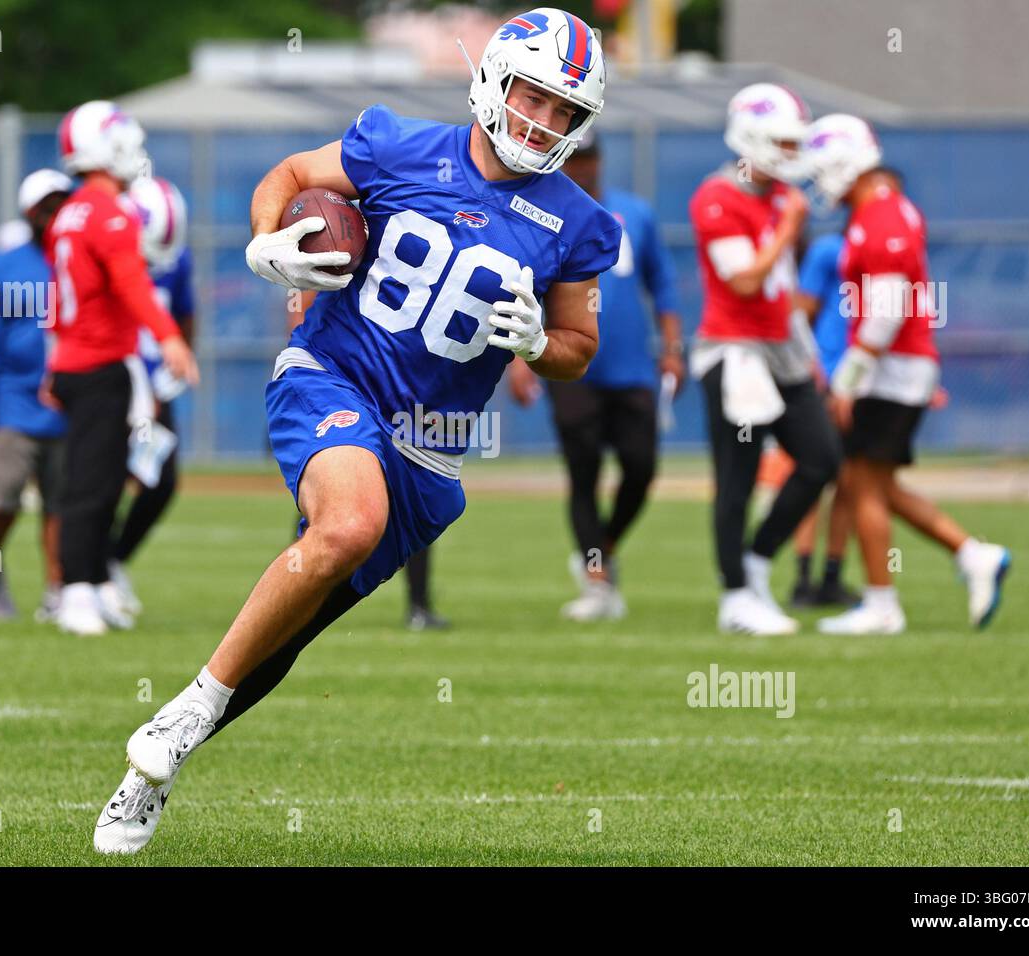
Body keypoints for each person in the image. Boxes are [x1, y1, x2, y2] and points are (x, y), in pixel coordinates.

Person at [93, 8, 622, 854]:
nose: (544, 122)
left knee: (290, 628)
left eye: (566, 111)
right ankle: (180, 722)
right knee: (348, 523)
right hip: (332, 379)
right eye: (535, 95)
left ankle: (171, 739)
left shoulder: (581, 224)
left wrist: (536, 343)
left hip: (429, 449)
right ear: (493, 79)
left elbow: (578, 348)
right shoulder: (398, 143)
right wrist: (270, 244)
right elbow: (292, 171)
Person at [804, 114, 1011, 635]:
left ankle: (882, 603)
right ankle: (972, 554)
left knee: (863, 485)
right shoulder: (880, 211)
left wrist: (850, 378)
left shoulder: (881, 216)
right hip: (896, 366)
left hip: (891, 369)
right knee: (870, 481)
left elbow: (889, 307)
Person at [509, 133, 684, 621]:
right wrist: (519, 360)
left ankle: (602, 549)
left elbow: (664, 288)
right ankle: (596, 581)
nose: (582, 167)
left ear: (601, 160)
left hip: (631, 369)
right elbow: (519, 288)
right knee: (583, 474)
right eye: (574, 157)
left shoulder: (635, 213)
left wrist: (672, 350)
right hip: (570, 369)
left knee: (641, 466)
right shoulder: (542, 214)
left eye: (588, 157)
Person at [688, 82, 842, 636]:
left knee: (822, 458)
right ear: (751, 138)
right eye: (782, 141)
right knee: (739, 477)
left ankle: (755, 562)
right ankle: (735, 596)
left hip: (782, 350)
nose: (793, 153)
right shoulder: (718, 196)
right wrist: (787, 230)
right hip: (734, 351)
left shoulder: (778, 195)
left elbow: (780, 285)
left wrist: (808, 352)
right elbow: (745, 278)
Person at [42, 101, 199, 637]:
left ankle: (88, 583)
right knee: (92, 483)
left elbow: (61, 299)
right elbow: (131, 285)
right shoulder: (108, 214)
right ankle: (76, 590)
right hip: (101, 364)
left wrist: (53, 364)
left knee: (104, 479)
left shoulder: (70, 211)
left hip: (77, 360)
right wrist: (169, 336)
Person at [288, 288, 450, 631]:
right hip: (347, 382)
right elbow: (302, 296)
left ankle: (418, 606)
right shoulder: (353, 239)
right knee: (329, 493)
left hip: (405, 388)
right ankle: (297, 592)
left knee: (412, 492)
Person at [0, 169, 74, 621]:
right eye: (46, 206)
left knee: (61, 500)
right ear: (30, 213)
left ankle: (56, 588)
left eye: (61, 204)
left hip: (68, 399)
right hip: (15, 397)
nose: (54, 214)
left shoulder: (77, 257)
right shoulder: (6, 266)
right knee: (4, 493)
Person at [105, 175, 196, 615]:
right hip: (109, 378)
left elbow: (183, 314)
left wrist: (173, 369)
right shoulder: (104, 247)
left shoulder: (176, 260)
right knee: (99, 480)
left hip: (155, 385)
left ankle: (112, 560)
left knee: (159, 482)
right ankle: (81, 578)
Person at [785, 226, 858, 607]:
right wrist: (810, 367)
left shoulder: (885, 247)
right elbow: (803, 312)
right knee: (815, 474)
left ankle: (831, 577)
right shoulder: (830, 250)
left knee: (848, 482)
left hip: (865, 382)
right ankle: (802, 578)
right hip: (829, 377)